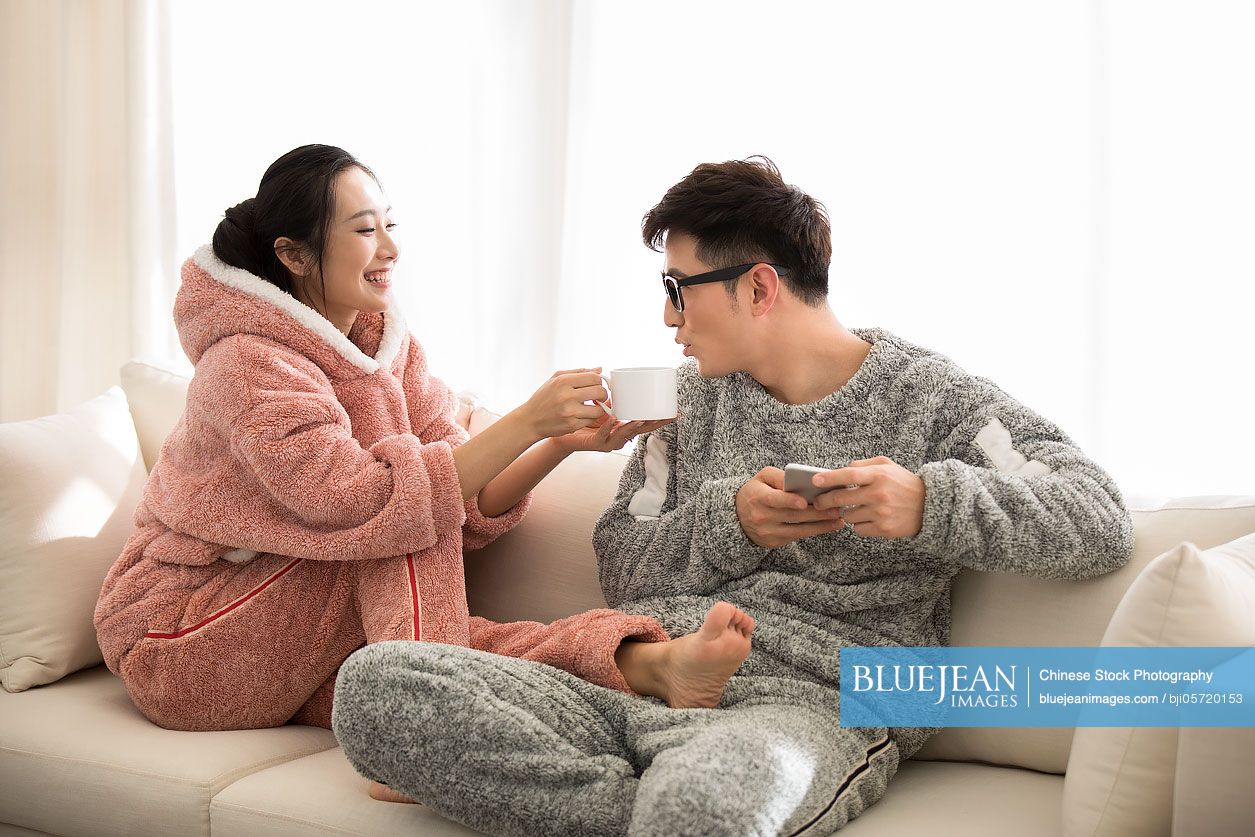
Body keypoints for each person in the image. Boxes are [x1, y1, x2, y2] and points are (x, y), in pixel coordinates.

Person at [331, 157, 1136, 835]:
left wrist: (930, 502)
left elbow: (1095, 516)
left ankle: (657, 803)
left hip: (818, 700)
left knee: (700, 805)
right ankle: (646, 800)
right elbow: (625, 572)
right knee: (374, 685)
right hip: (647, 673)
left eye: (679, 288)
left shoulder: (932, 401)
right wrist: (731, 520)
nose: (666, 316)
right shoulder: (686, 407)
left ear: (757, 287)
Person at [93, 144, 758, 742]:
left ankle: (650, 666)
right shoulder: (245, 363)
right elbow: (365, 503)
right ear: (294, 256)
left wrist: (560, 440)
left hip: (279, 647)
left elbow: (463, 500)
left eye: (389, 224)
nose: (388, 247)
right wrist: (526, 417)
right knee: (401, 522)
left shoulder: (391, 348)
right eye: (362, 230)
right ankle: (426, 741)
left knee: (475, 655)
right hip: (181, 636)